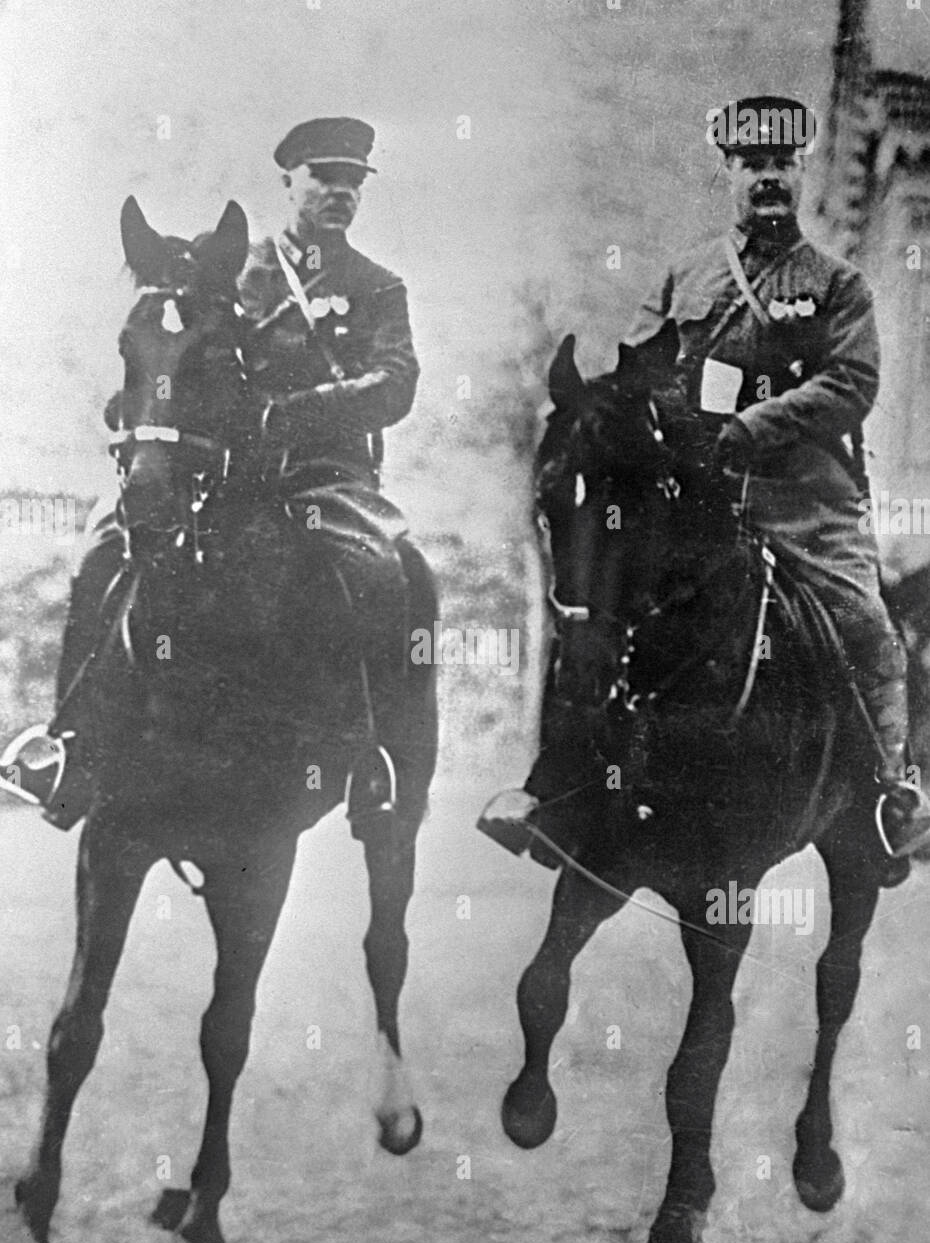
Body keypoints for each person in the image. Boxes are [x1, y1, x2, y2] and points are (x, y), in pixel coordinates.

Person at [480, 94, 930, 869]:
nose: (769, 179)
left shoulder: (838, 285)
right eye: (753, 163)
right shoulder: (686, 277)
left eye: (783, 164)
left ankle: (892, 794)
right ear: (729, 172)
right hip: (702, 497)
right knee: (598, 605)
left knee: (868, 627)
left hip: (808, 505)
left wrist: (750, 428)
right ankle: (556, 789)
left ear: (802, 172)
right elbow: (638, 368)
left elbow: (851, 384)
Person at [1, 117, 420, 831]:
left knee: (380, 567)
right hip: (227, 469)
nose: (340, 192)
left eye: (353, 181)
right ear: (290, 181)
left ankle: (373, 756)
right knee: (105, 550)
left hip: (327, 472)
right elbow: (180, 345)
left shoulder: (377, 285)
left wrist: (288, 412)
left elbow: (395, 383)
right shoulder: (237, 269)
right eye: (325, 176)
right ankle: (70, 744)